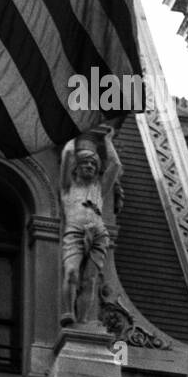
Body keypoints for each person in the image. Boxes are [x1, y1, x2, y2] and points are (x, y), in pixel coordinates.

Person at [59, 128, 121, 326]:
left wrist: (107, 140)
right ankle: (68, 312)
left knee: (90, 280)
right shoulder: (68, 187)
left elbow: (116, 164)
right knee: (71, 272)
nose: (90, 166)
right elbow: (68, 154)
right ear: (76, 168)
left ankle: (84, 321)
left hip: (99, 234)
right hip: (75, 231)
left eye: (93, 163)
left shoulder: (99, 190)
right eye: (85, 162)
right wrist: (73, 131)